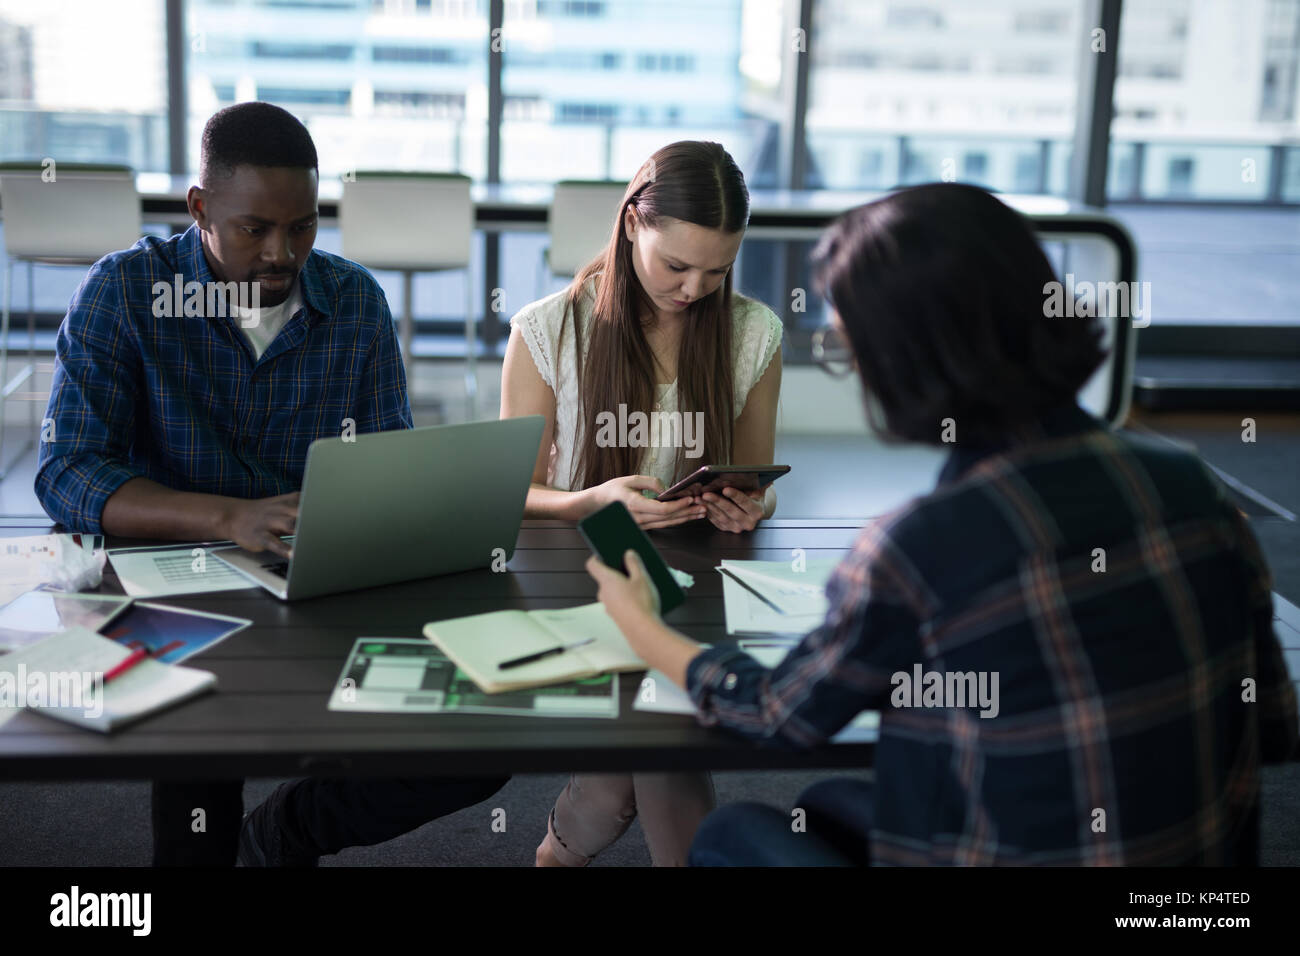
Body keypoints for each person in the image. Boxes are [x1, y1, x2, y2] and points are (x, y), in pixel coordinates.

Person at [579, 182, 1300, 866]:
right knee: (831, 802)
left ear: (907, 361)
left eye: (849, 347)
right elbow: (1272, 725)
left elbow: (778, 714)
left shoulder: (921, 546)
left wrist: (644, 626)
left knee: (736, 831)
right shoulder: (1192, 484)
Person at [35, 101, 506, 866]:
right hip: (173, 589)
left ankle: (284, 833)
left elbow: (389, 467)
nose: (281, 254)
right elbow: (68, 472)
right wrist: (230, 518)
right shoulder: (123, 292)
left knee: (477, 747)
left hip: (317, 586)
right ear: (200, 209)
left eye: (304, 226)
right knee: (200, 774)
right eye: (255, 228)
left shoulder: (354, 303)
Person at [501, 141, 783, 865]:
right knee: (662, 751)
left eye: (717, 271)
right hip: (579, 576)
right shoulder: (548, 329)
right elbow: (508, 495)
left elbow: (756, 482)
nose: (694, 290)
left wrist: (750, 507)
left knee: (642, 760)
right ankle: (556, 855)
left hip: (697, 581)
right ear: (632, 225)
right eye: (677, 266)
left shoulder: (752, 332)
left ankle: (556, 856)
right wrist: (588, 502)